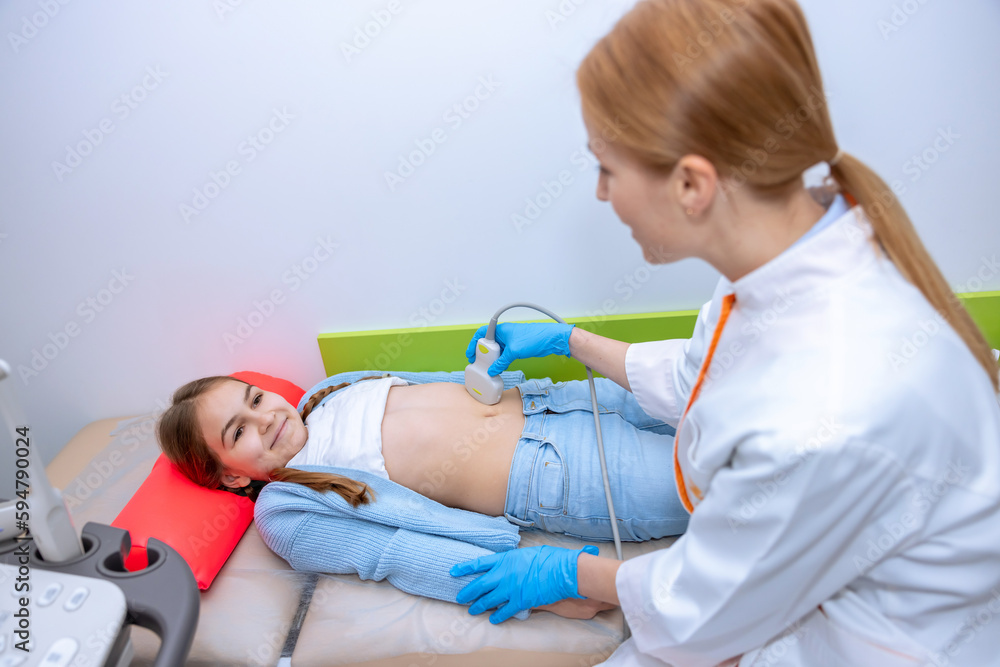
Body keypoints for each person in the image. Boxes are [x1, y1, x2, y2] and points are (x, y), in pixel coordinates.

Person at [448, 0, 1000, 665]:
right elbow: (703, 376)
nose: (601, 194)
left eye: (606, 168)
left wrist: (570, 572)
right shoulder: (794, 248)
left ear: (691, 184)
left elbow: (695, 614)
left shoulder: (824, 404)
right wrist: (572, 342)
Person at [156, 369, 688, 619]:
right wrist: (542, 591)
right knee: (743, 487)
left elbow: (457, 383)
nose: (266, 416)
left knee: (743, 415)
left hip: (566, 399)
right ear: (229, 476)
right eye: (238, 431)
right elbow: (394, 556)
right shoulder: (287, 504)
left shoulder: (330, 389)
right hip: (561, 471)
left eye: (255, 398)